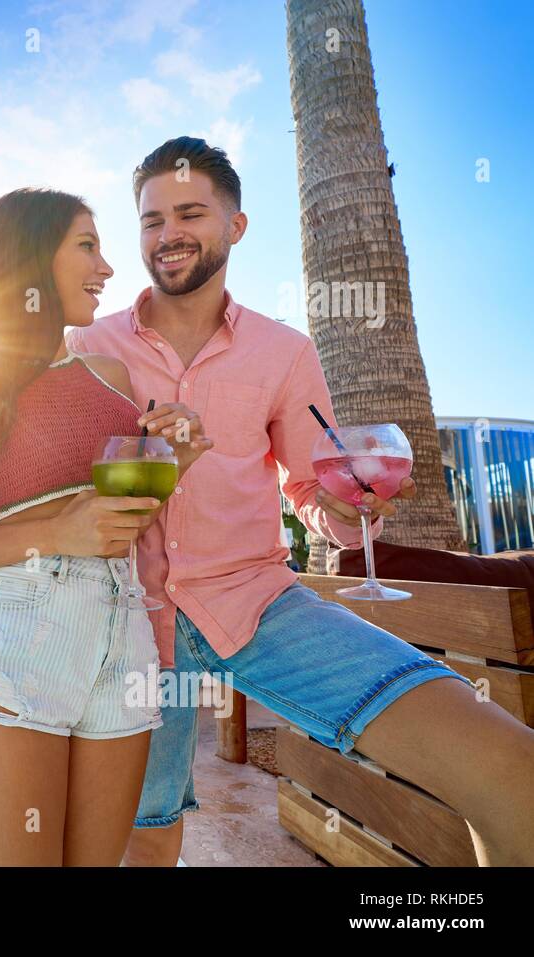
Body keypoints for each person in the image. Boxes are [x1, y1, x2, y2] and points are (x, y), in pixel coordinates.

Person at [68, 136, 534, 866]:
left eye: (190, 213)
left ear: (236, 226)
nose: (168, 235)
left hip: (259, 604)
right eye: (153, 219)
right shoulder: (86, 344)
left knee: (511, 767)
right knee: (148, 835)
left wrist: (348, 512)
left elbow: (311, 486)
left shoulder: (284, 351)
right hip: (125, 620)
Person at [0, 187, 213, 865]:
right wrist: (52, 535)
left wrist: (174, 458)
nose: (107, 267)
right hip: (14, 644)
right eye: (87, 245)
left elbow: (119, 523)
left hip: (121, 642)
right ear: (31, 252)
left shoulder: (111, 375)